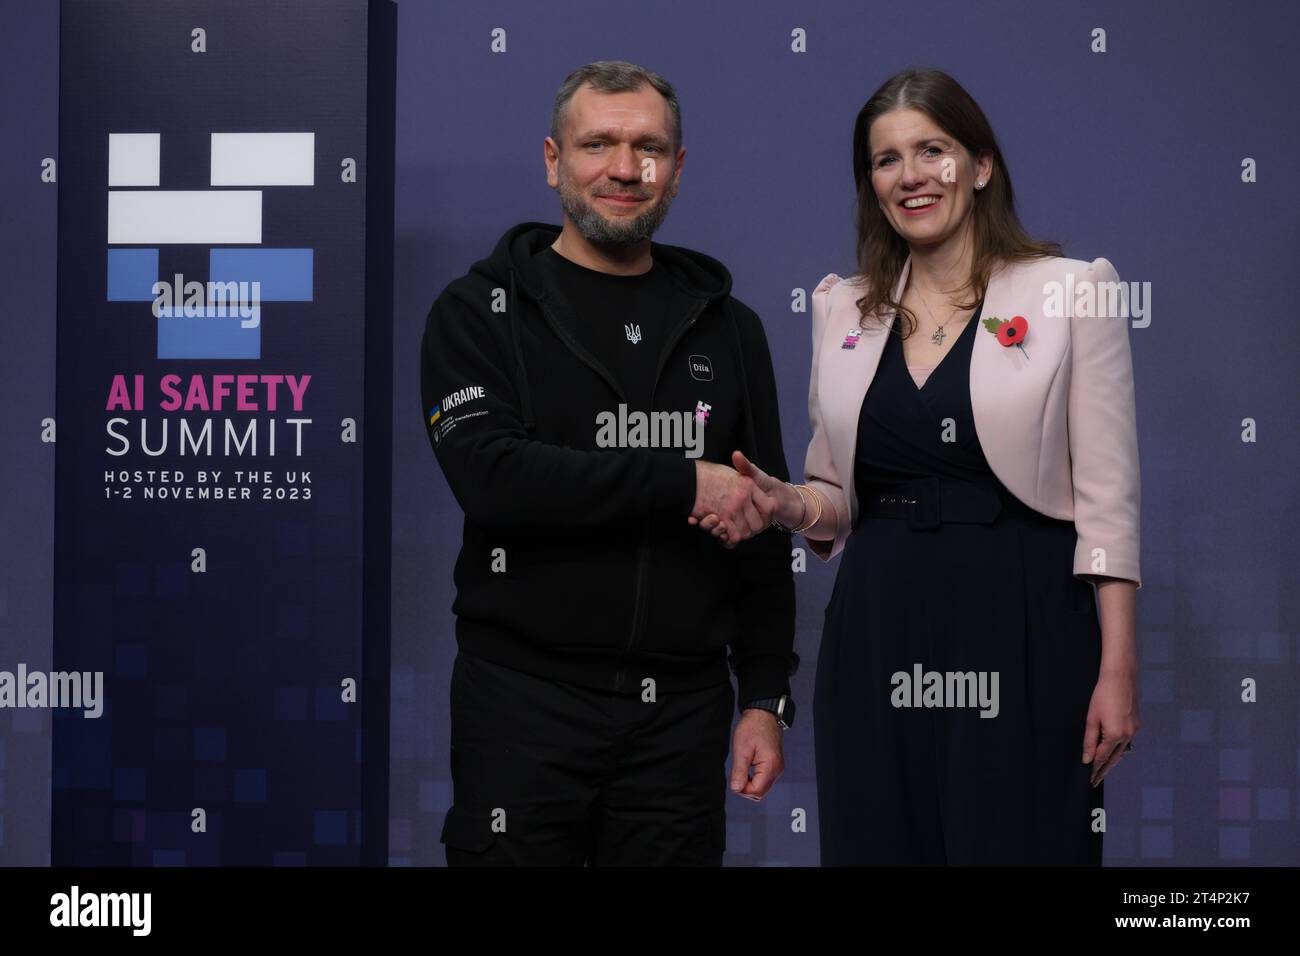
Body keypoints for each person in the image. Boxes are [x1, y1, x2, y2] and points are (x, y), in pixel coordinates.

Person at [700, 67, 1141, 865]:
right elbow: (836, 494)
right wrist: (785, 502)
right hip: (879, 620)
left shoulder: (1077, 293)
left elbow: (1107, 503)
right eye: (886, 159)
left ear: (979, 165)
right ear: (870, 183)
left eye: (931, 150)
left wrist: (1117, 669)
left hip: (1025, 616)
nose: (910, 176)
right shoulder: (842, 306)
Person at [420, 60, 799, 866]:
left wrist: (764, 696)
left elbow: (761, 525)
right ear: (554, 159)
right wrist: (682, 479)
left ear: (679, 169)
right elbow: (494, 478)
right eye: (599, 144)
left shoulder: (730, 328)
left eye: (648, 148)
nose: (625, 169)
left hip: (682, 719)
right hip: (521, 706)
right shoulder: (477, 312)